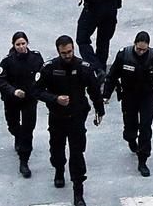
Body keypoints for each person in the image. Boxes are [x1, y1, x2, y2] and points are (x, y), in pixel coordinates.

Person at [34, 35, 104, 206]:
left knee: (77, 154)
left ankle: (78, 192)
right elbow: (36, 91)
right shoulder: (49, 68)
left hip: (77, 117)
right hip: (57, 117)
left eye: (70, 51)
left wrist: (99, 110)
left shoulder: (83, 67)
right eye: (64, 52)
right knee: (57, 150)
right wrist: (54, 98)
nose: (67, 55)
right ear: (58, 51)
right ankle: (58, 169)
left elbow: (94, 90)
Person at [103, 31, 153, 177]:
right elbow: (112, 75)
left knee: (145, 127)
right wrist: (106, 95)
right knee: (130, 125)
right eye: (138, 49)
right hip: (129, 95)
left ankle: (143, 159)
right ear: (134, 44)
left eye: (144, 49)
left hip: (147, 96)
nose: (140, 52)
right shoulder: (124, 55)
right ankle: (131, 138)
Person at [0, 31, 44, 178]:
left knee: (28, 129)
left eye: (23, 44)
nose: (21, 47)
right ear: (13, 45)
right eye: (18, 44)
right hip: (12, 100)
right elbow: (0, 80)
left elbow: (42, 74)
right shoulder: (8, 61)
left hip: (29, 99)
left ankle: (24, 161)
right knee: (13, 125)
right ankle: (18, 136)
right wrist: (13, 91)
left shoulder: (35, 57)